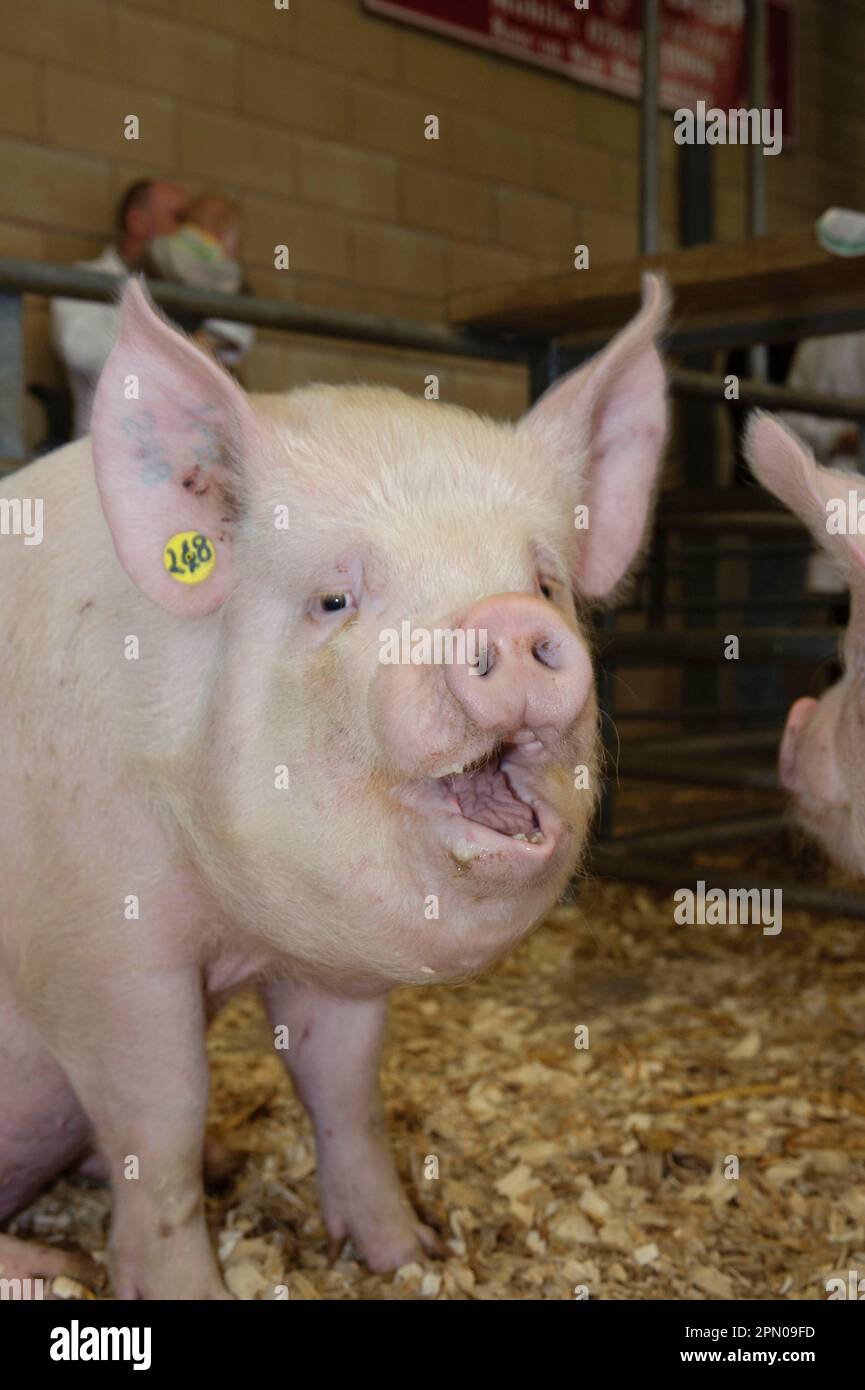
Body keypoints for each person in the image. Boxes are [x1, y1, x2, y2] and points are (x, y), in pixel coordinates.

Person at [51, 180, 253, 438]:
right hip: (100, 459)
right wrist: (190, 349)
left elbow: (238, 326)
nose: (192, 232)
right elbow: (83, 351)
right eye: (180, 219)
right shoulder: (85, 278)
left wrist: (218, 262)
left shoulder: (189, 288)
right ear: (137, 222)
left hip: (180, 463)